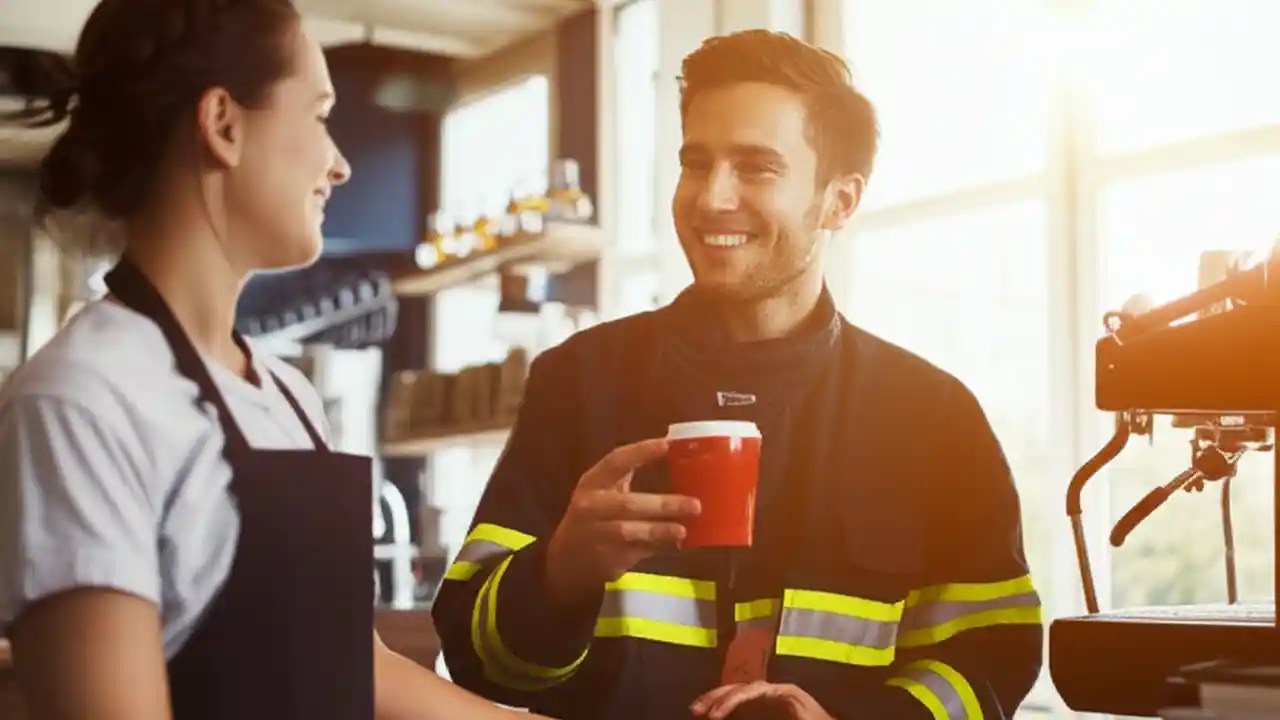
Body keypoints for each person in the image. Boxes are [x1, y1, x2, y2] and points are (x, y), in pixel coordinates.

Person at [432, 29, 1044, 720]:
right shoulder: (575, 383)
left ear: (839, 202)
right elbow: (473, 661)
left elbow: (993, 658)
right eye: (697, 164)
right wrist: (558, 573)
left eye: (756, 168)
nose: (711, 197)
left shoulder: (934, 418)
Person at [0, 1, 550, 718]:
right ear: (223, 124)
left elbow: (357, 664)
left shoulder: (286, 394)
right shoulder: (81, 402)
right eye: (320, 115)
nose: (341, 164)